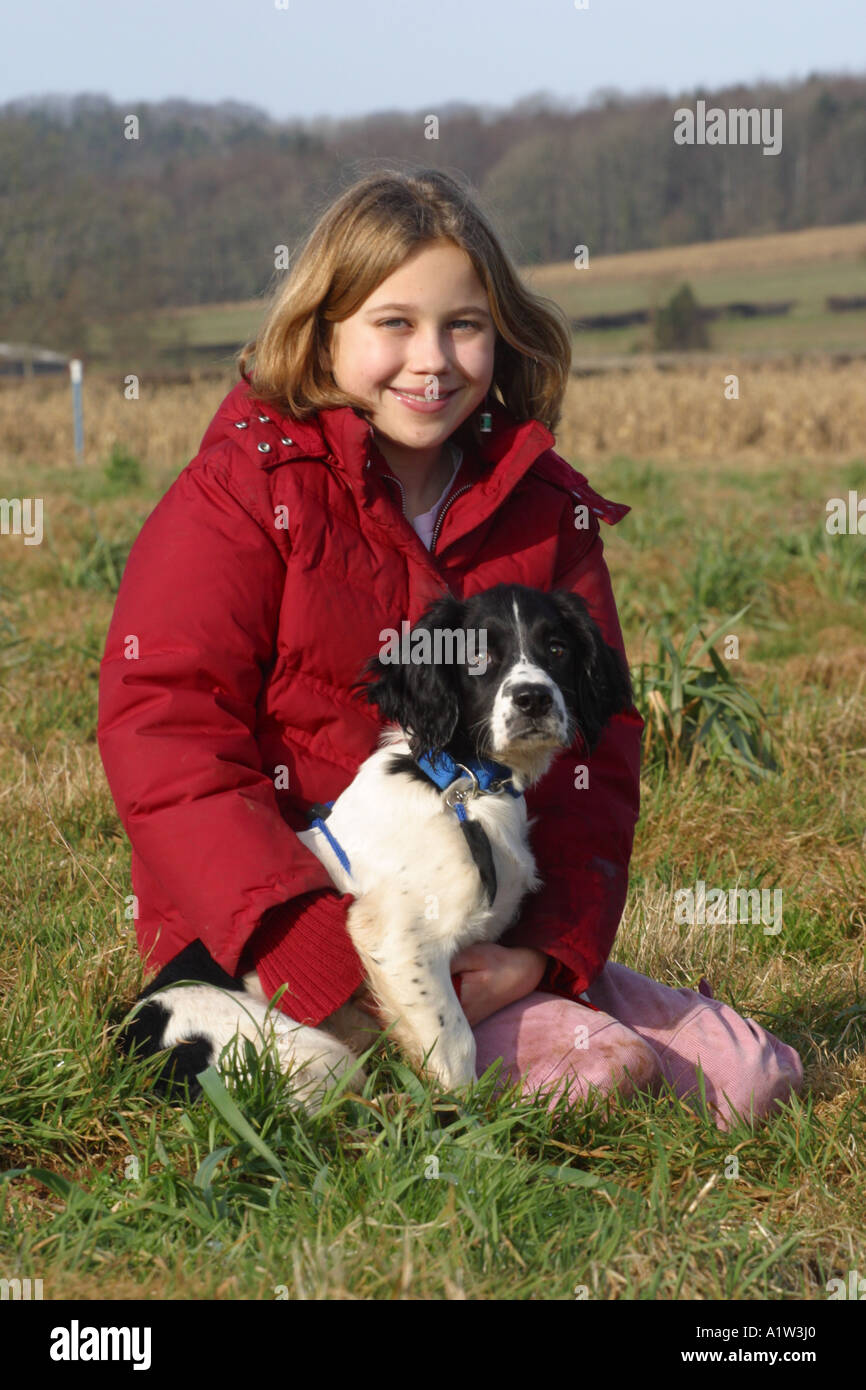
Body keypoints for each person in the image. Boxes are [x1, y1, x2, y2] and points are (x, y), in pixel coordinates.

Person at [97, 167, 803, 1131]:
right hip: (281, 932)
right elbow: (164, 732)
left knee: (755, 1079)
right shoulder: (240, 489)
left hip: (488, 920)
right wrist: (304, 941)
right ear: (323, 329)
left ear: (501, 333)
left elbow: (603, 736)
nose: (430, 359)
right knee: (599, 1076)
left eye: (463, 324)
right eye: (393, 322)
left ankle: (528, 1026)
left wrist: (547, 953)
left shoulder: (545, 503)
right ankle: (441, 1113)